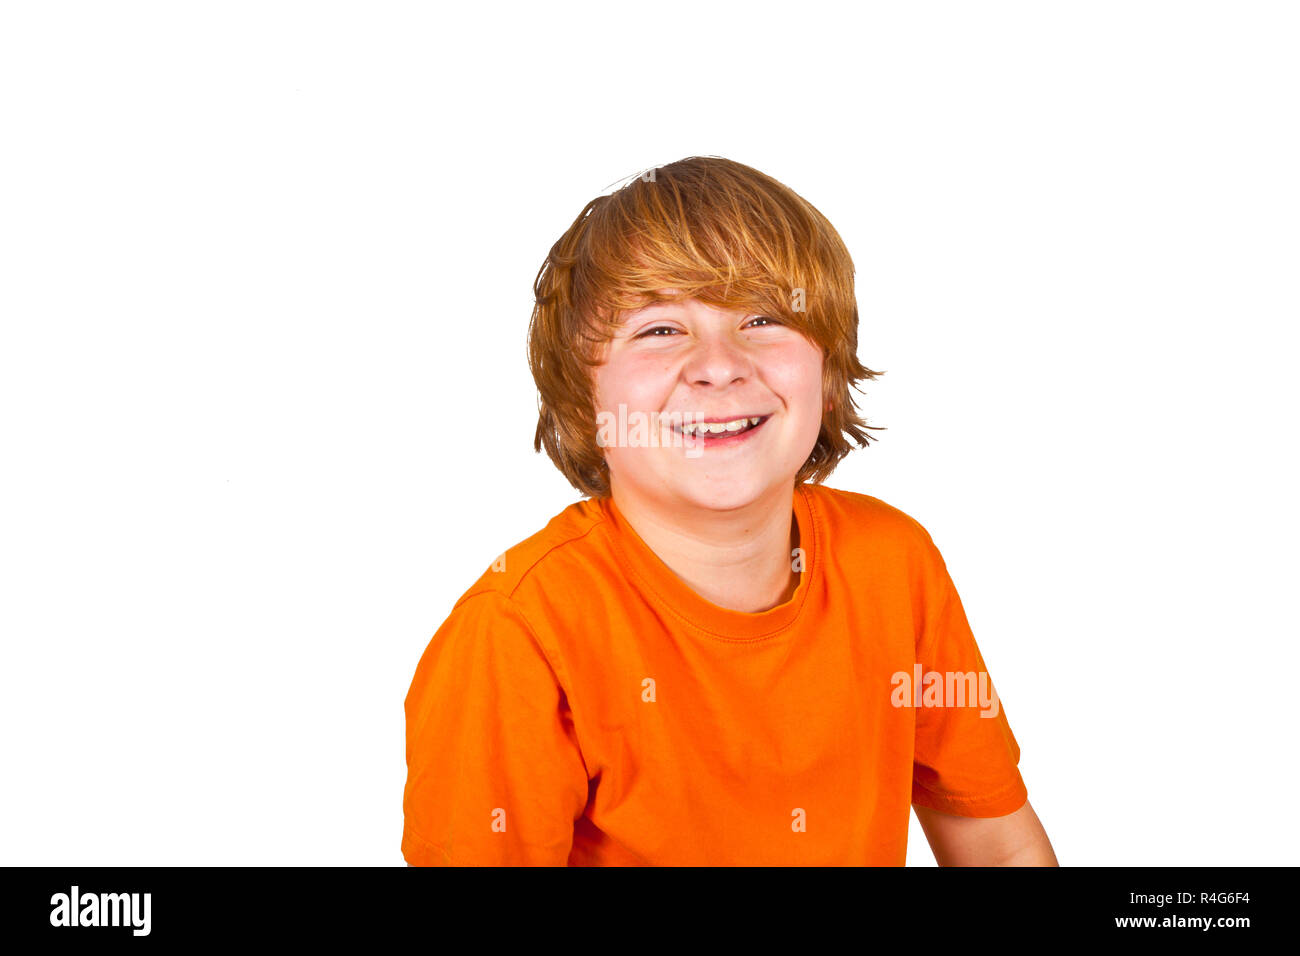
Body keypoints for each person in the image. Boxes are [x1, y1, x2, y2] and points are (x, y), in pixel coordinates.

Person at [402, 156, 1058, 865]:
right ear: (583, 398)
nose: (720, 364)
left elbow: (998, 845)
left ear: (829, 377)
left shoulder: (892, 560)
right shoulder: (517, 633)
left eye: (763, 317)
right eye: (659, 329)